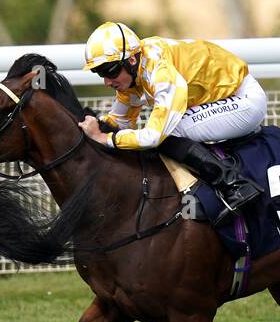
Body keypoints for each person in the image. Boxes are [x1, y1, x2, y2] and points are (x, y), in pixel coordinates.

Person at [77, 21, 265, 225]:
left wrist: (105, 138)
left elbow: (153, 136)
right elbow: (119, 122)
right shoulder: (133, 73)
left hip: (244, 100)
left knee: (170, 133)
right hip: (220, 99)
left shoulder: (160, 73)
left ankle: (234, 185)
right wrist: (92, 126)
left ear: (131, 60)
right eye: (100, 73)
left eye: (110, 71)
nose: (107, 81)